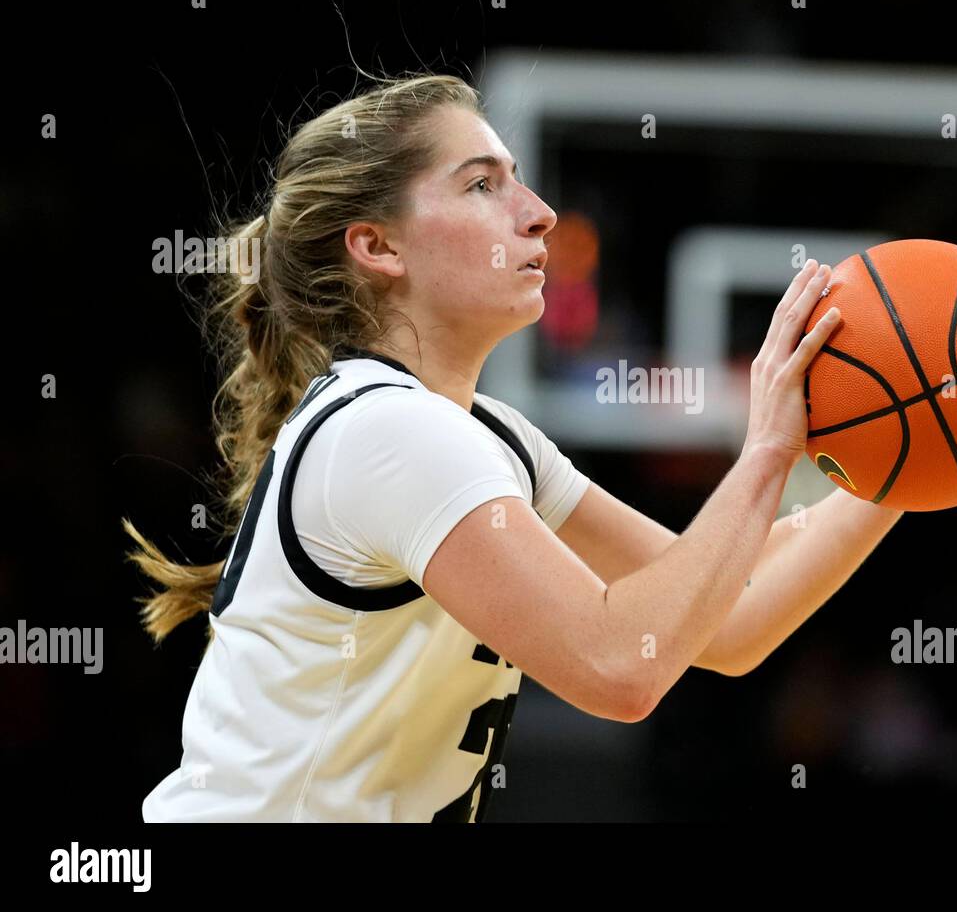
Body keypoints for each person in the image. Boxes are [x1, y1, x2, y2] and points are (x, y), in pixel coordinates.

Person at [123, 72, 901, 822]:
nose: (539, 214)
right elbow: (620, 666)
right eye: (482, 185)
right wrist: (767, 451)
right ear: (378, 246)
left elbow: (725, 617)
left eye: (518, 179)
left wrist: (908, 461)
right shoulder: (388, 431)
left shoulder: (484, 435)